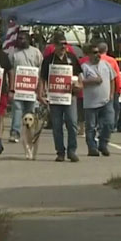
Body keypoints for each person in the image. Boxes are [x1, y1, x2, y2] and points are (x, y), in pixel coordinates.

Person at [39, 34, 83, 162]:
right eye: (60, 44)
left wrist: (79, 85)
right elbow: (42, 78)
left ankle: (72, 151)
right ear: (55, 45)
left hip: (70, 97)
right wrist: (40, 94)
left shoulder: (72, 58)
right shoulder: (48, 60)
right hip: (55, 98)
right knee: (57, 126)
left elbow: (79, 76)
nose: (63, 46)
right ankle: (60, 152)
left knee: (72, 123)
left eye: (65, 43)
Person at [80, 44, 116, 157]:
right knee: (91, 127)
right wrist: (93, 81)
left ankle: (103, 144)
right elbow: (80, 82)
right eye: (94, 52)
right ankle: (92, 148)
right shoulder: (84, 67)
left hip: (106, 101)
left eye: (99, 52)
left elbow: (112, 79)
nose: (97, 55)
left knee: (109, 123)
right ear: (89, 54)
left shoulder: (106, 65)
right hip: (91, 103)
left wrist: (111, 94)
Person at [9, 28, 43, 143]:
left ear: (28, 40)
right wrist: (10, 88)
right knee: (17, 110)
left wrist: (41, 87)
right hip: (18, 88)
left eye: (23, 38)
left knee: (30, 111)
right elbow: (10, 70)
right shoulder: (13, 53)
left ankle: (30, 134)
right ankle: (15, 133)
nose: (21, 41)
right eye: (19, 39)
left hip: (32, 89)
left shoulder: (36, 52)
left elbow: (41, 69)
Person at [97, 42, 121, 131]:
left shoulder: (95, 59)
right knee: (113, 108)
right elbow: (117, 75)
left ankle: (100, 125)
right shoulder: (111, 60)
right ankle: (112, 126)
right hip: (112, 87)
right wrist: (119, 87)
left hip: (98, 87)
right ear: (106, 50)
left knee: (99, 107)